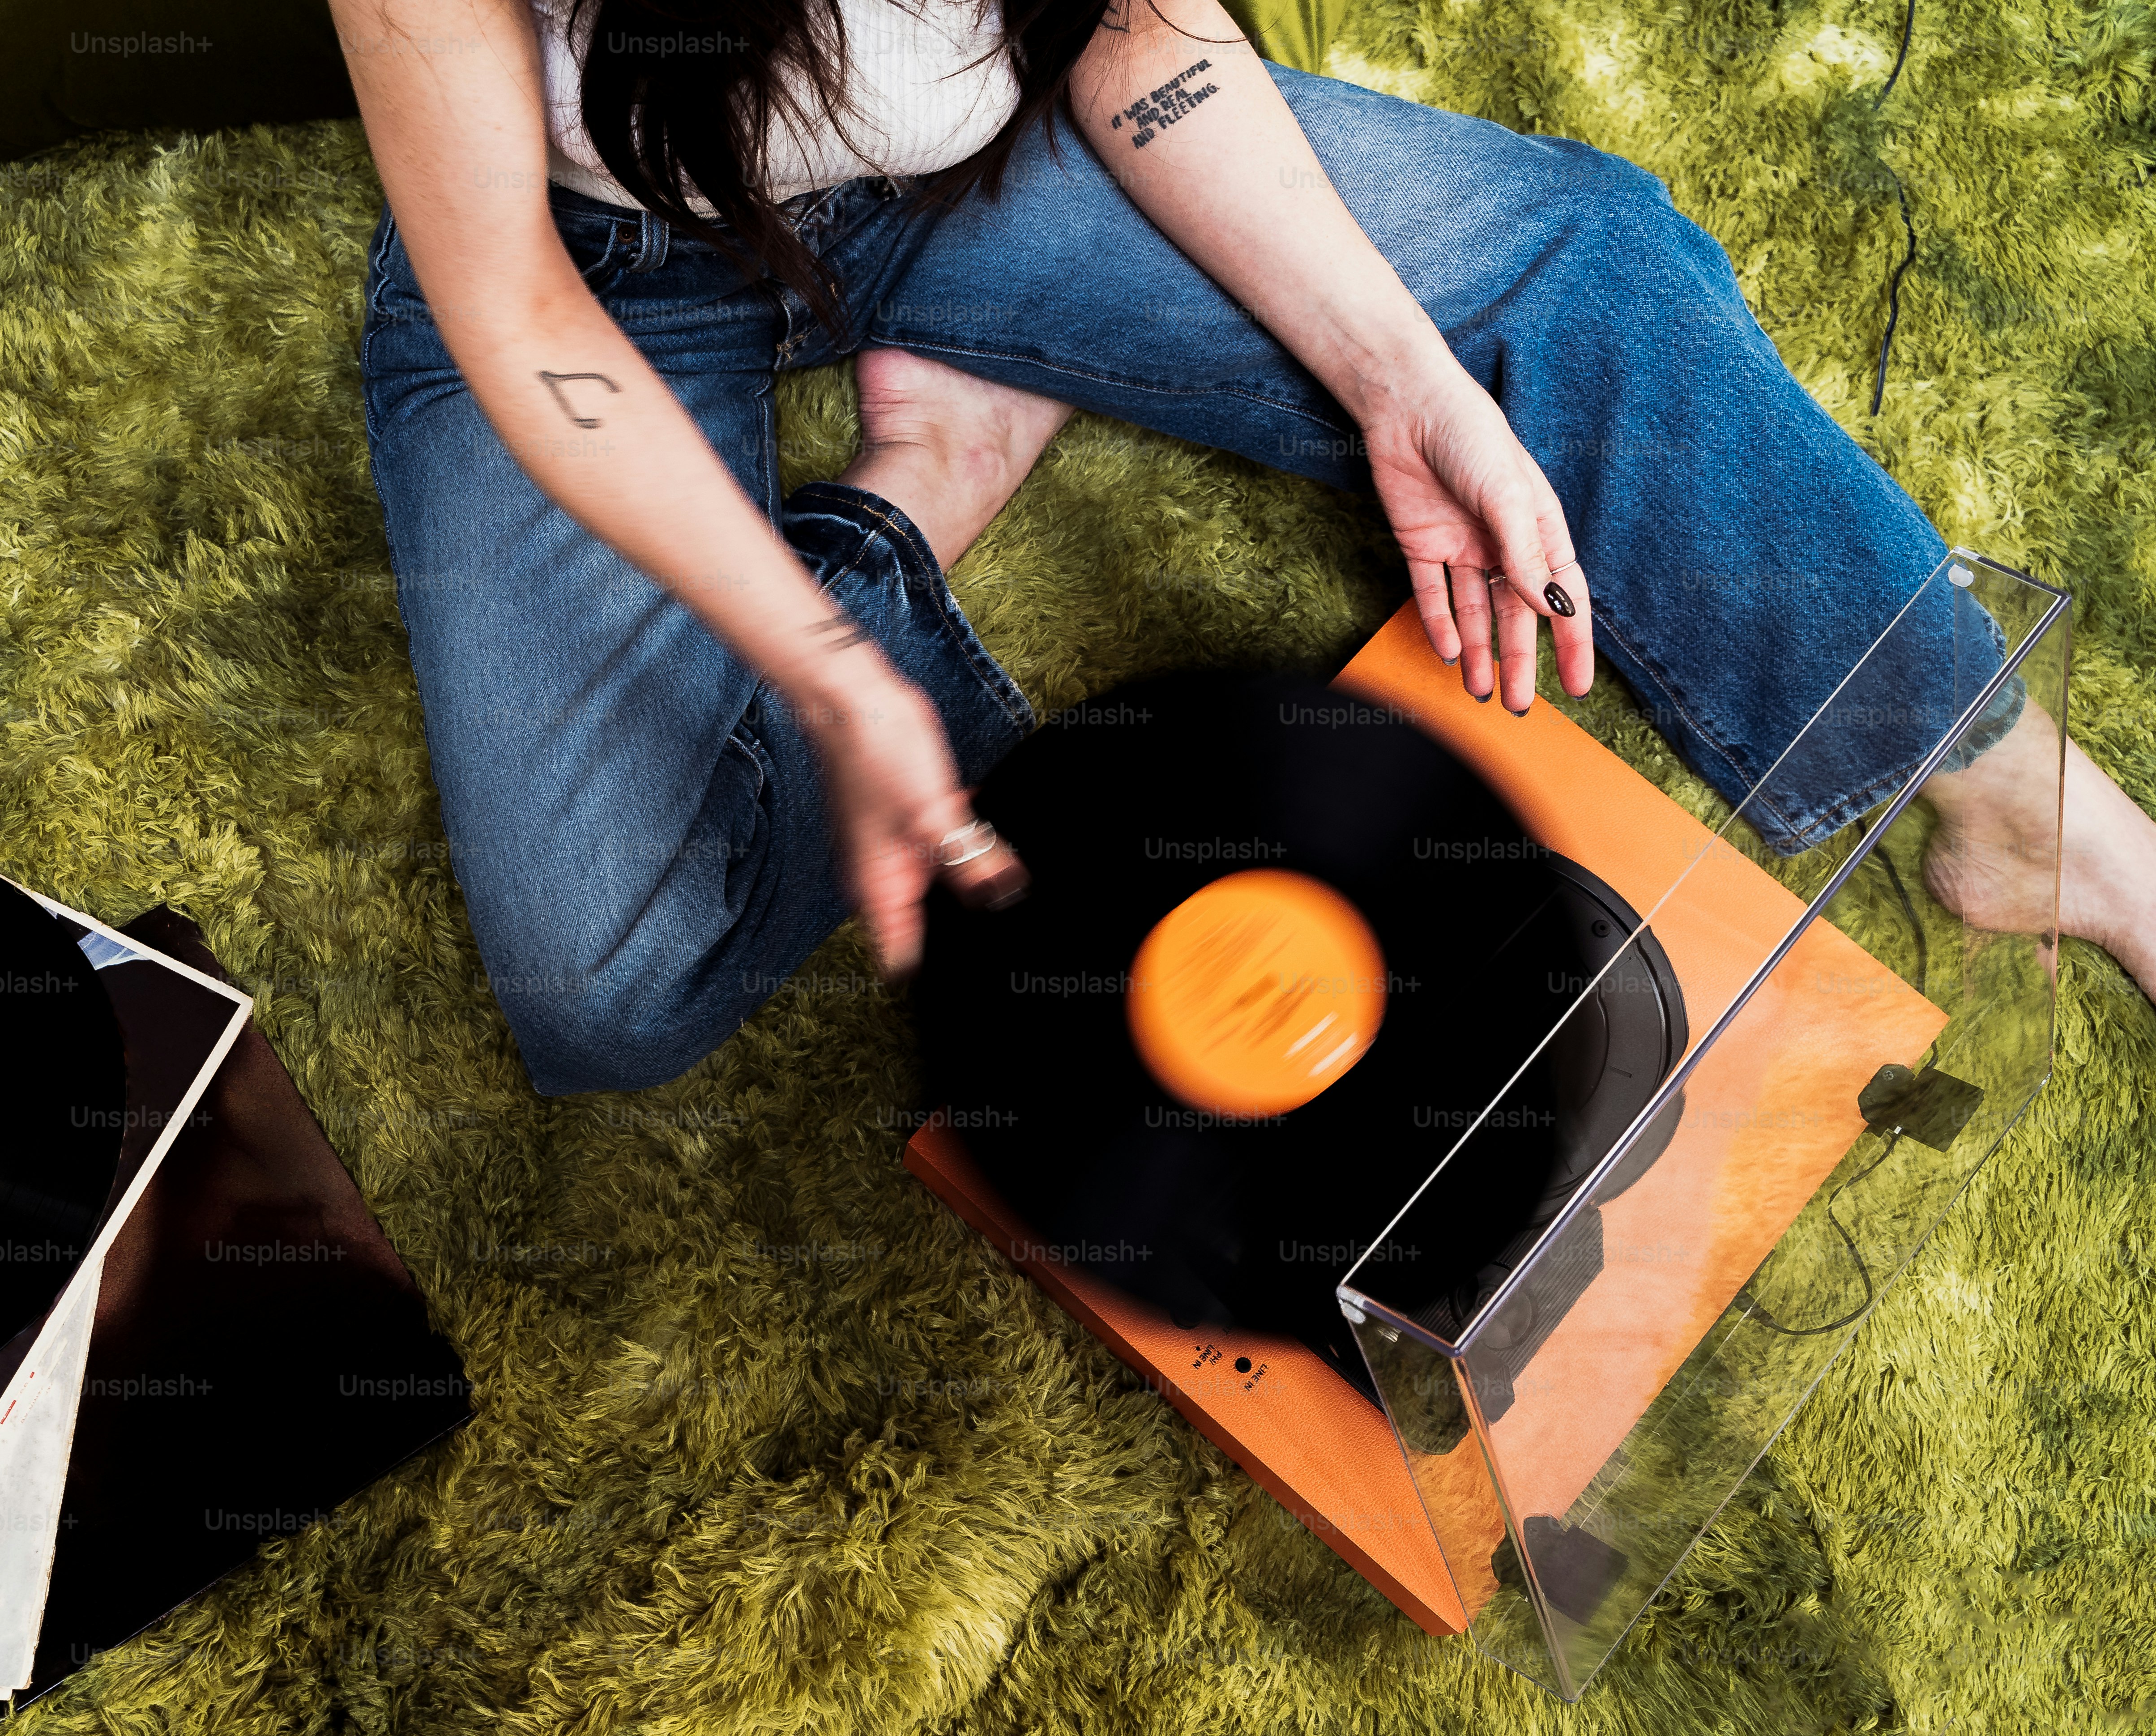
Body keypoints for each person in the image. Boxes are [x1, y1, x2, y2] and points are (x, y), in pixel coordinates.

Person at [337, 0, 2154, 1097]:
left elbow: (1142, 37)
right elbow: (514, 310)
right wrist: (835, 647)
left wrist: (1401, 377)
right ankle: (940, 464)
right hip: (602, 266)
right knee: (606, 975)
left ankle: (2024, 804)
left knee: (1575, 276)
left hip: (987, 157)